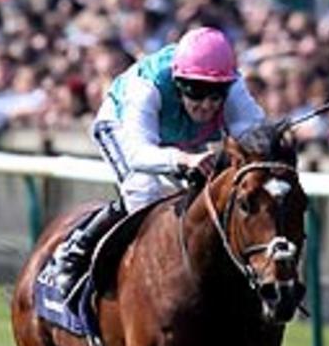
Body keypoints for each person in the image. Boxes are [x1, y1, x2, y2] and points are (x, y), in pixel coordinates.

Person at [49, 27, 266, 296]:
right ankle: (74, 252)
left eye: (216, 93)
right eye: (196, 91)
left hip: (181, 138)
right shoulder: (146, 88)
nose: (208, 105)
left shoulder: (233, 86)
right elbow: (139, 154)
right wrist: (184, 159)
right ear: (178, 83)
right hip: (122, 128)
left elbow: (254, 134)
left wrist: (273, 137)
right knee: (143, 190)